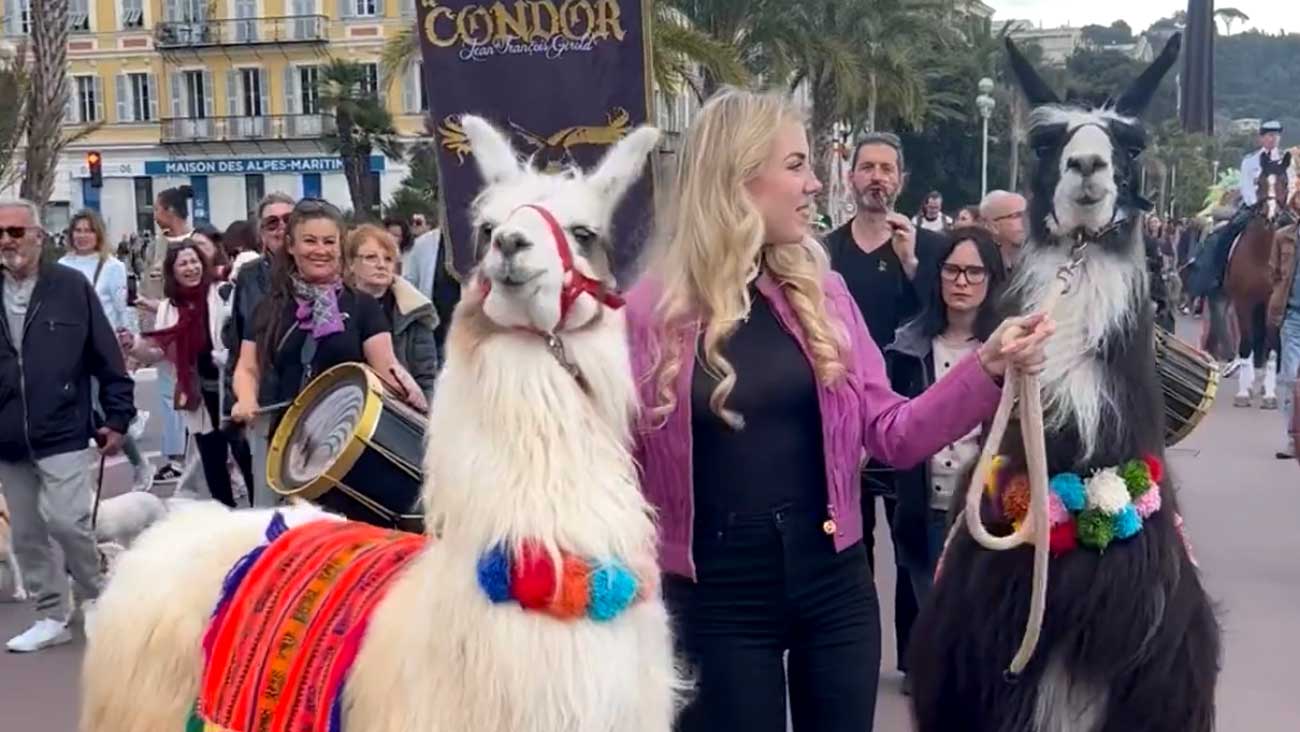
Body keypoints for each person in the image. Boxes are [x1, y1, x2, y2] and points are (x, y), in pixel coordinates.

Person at [626, 89, 1052, 731]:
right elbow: (612, 469)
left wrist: (987, 365)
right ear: (739, 176)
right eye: (796, 164)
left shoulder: (822, 294)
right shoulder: (647, 314)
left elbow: (895, 433)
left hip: (833, 578)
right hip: (714, 594)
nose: (816, 183)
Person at [822, 130, 944, 686]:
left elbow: (943, 317)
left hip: (902, 415)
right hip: (841, 418)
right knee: (851, 544)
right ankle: (854, 656)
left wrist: (914, 263)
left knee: (909, 535)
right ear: (851, 178)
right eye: (867, 167)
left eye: (886, 168)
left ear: (901, 180)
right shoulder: (824, 251)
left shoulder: (927, 251)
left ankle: (916, 658)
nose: (876, 177)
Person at [0, 199, 135, 652]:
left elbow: (106, 356)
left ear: (39, 236)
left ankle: (97, 595)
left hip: (63, 428)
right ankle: (50, 613)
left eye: (17, 233)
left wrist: (118, 415)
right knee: (25, 532)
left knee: (66, 521)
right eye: (0, 233)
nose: (7, 242)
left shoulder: (70, 287)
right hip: (8, 436)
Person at [230, 199, 426, 444]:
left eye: (329, 242)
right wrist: (246, 399)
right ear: (291, 246)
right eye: (310, 241)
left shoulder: (362, 306)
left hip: (349, 441)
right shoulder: (269, 308)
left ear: (340, 246)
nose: (321, 250)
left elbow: (387, 370)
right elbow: (248, 368)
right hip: (287, 442)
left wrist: (401, 385)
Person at [883, 227, 1008, 607]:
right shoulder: (908, 347)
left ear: (992, 278)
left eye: (974, 272)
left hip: (989, 513)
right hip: (926, 513)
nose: (962, 282)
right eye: (952, 270)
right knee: (936, 628)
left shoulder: (1007, 349)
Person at [132, 242, 253, 507]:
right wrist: (135, 346)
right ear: (172, 272)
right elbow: (158, 352)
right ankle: (225, 513)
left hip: (229, 389)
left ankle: (259, 508)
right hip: (197, 393)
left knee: (245, 453)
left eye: (195, 261)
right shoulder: (168, 308)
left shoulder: (221, 292)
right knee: (212, 459)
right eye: (183, 264)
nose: (191, 268)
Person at [58, 210, 152, 493]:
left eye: (88, 230)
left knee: (104, 407)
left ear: (98, 234)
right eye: (78, 230)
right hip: (72, 346)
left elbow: (121, 307)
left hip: (103, 346)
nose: (82, 235)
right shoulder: (62, 265)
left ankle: (139, 464)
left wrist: (128, 342)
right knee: (80, 407)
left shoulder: (111, 266)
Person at [224, 191, 295, 506]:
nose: (281, 227)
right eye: (272, 223)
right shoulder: (250, 277)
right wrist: (238, 397)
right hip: (266, 403)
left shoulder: (321, 270)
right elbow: (239, 345)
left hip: (313, 401)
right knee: (267, 504)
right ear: (262, 234)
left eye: (289, 221)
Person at [1192, 120, 1290, 296]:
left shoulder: (1286, 162)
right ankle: (1218, 274)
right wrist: (1256, 205)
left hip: (1281, 207)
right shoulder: (1250, 161)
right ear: (1261, 138)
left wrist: (1281, 205)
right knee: (1227, 233)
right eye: (1269, 135)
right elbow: (1246, 186)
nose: (1273, 139)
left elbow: (1291, 186)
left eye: (1276, 136)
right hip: (1254, 208)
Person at [142, 185, 198, 484]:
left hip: (186, 328)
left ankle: (181, 458)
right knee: (169, 393)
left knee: (182, 393)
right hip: (161, 327)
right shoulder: (157, 245)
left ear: (170, 211)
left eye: (158, 209)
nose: (155, 216)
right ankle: (177, 456)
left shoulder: (194, 243)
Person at [344, 224, 439, 400]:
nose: (381, 265)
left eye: (388, 259)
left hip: (401, 412)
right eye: (371, 257)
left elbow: (426, 379)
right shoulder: (338, 308)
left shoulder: (414, 312)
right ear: (351, 263)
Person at [1269, 189, 1300, 459]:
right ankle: (1293, 439)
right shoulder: (1283, 236)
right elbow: (1274, 273)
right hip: (1292, 316)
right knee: (1291, 378)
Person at [979, 190, 1029, 270]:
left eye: (1027, 213)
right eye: (1016, 215)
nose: (1025, 220)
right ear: (991, 226)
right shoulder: (979, 267)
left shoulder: (1041, 263)